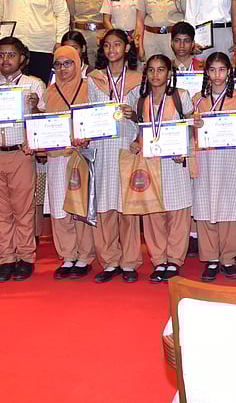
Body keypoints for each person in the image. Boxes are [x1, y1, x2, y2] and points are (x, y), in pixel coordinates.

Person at [0, 36, 44, 283]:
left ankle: (26, 257)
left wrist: (36, 107)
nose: (5, 60)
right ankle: (6, 258)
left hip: (20, 153)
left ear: (22, 59)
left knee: (23, 209)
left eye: (11, 55)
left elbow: (44, 122)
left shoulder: (34, 85)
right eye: (1, 55)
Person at [128, 54, 194, 283]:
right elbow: (139, 130)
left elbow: (191, 127)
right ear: (145, 73)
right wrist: (136, 144)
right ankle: (159, 261)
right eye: (151, 70)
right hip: (150, 164)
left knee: (178, 214)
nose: (156, 75)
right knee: (153, 214)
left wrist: (183, 150)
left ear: (169, 73)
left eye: (161, 70)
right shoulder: (139, 98)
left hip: (175, 163)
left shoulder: (181, 96)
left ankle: (174, 261)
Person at [85, 29, 143, 283]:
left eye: (117, 45)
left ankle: (130, 262)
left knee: (127, 206)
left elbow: (148, 114)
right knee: (105, 205)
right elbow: (87, 113)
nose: (111, 50)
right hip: (102, 147)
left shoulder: (139, 79)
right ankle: (109, 261)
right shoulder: (94, 78)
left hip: (127, 145)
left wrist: (134, 116)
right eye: (107, 45)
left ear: (126, 48)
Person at [190, 51, 236, 281]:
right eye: (212, 70)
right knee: (205, 208)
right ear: (206, 72)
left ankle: (229, 258)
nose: (217, 75)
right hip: (205, 159)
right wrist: (193, 124)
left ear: (229, 71)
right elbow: (189, 131)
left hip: (230, 160)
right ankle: (211, 258)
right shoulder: (197, 100)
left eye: (222, 70)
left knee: (229, 208)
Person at [44, 45, 98, 280]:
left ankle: (85, 256)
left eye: (68, 63)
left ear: (78, 63)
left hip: (82, 156)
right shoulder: (50, 91)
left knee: (81, 206)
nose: (63, 68)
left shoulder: (90, 88)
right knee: (60, 206)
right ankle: (67, 256)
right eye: (58, 64)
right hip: (57, 158)